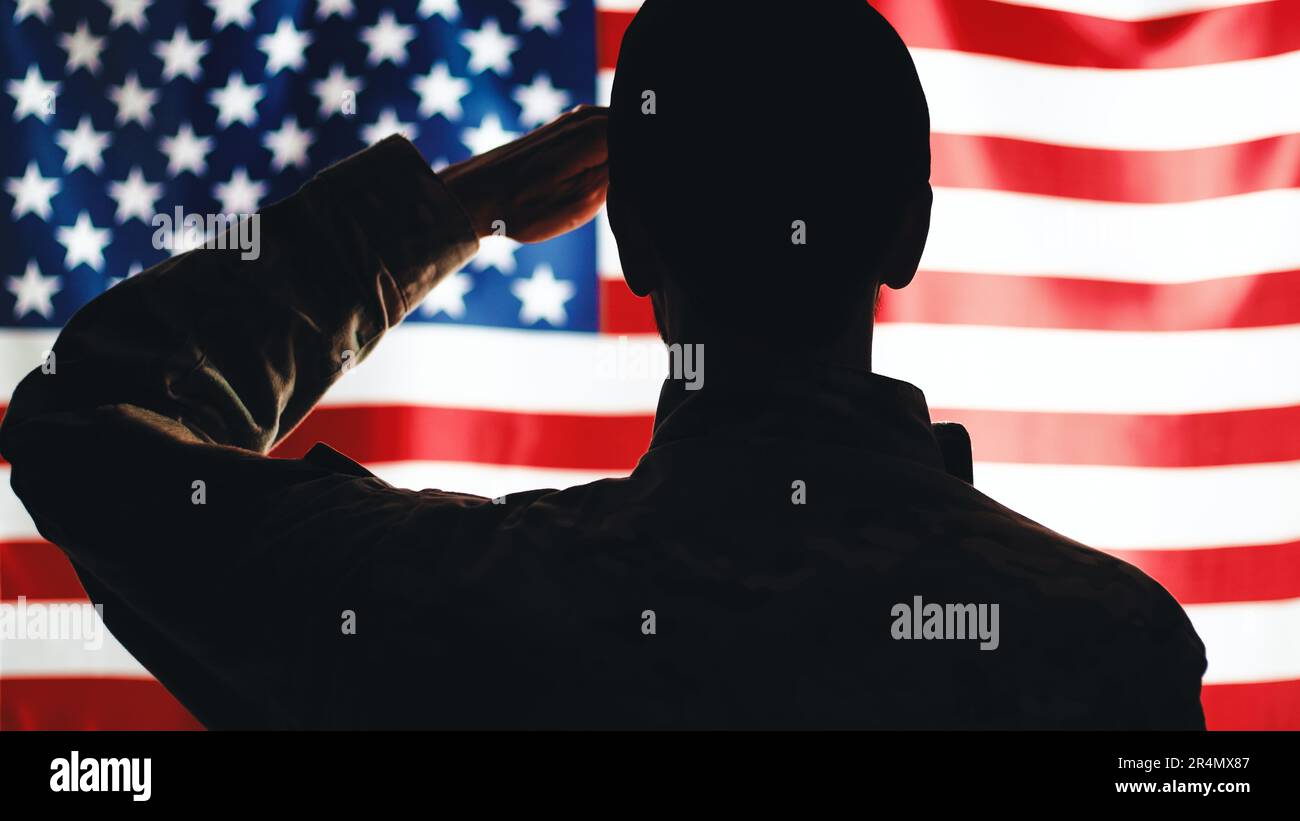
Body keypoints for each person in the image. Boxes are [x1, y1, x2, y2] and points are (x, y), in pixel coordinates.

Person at [0, 0, 1205, 728]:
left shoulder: (449, 604)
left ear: (627, 241)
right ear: (909, 232)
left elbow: (87, 422)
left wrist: (456, 207)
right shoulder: (1105, 643)